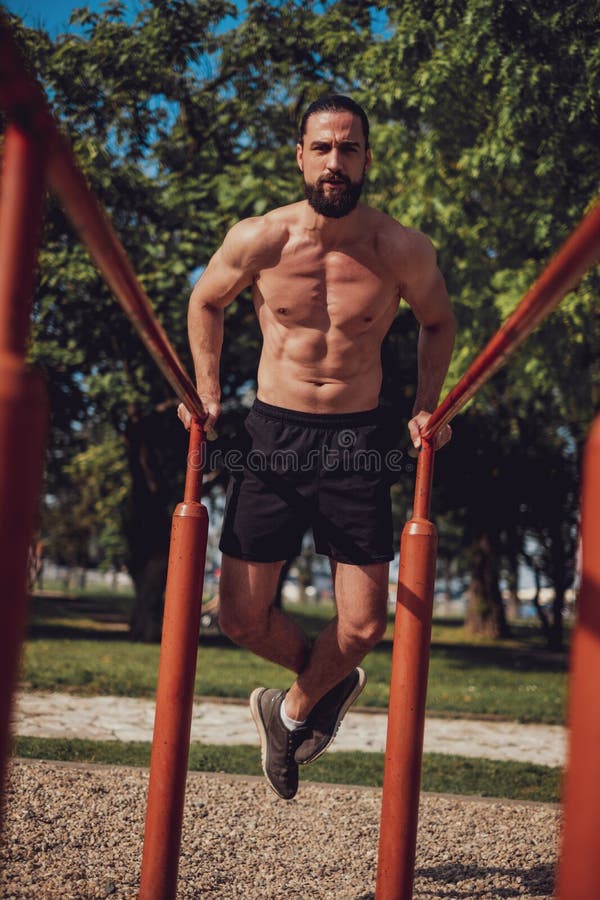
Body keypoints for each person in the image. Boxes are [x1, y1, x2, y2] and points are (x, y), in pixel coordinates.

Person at [178, 94, 455, 800]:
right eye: (323, 147)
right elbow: (205, 300)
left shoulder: (400, 248)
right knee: (239, 616)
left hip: (358, 439)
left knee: (364, 624)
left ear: (367, 159)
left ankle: (295, 708)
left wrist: (427, 405)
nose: (336, 161)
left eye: (350, 148)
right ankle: (321, 689)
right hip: (272, 436)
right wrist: (208, 392)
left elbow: (437, 322)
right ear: (300, 155)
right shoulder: (260, 239)